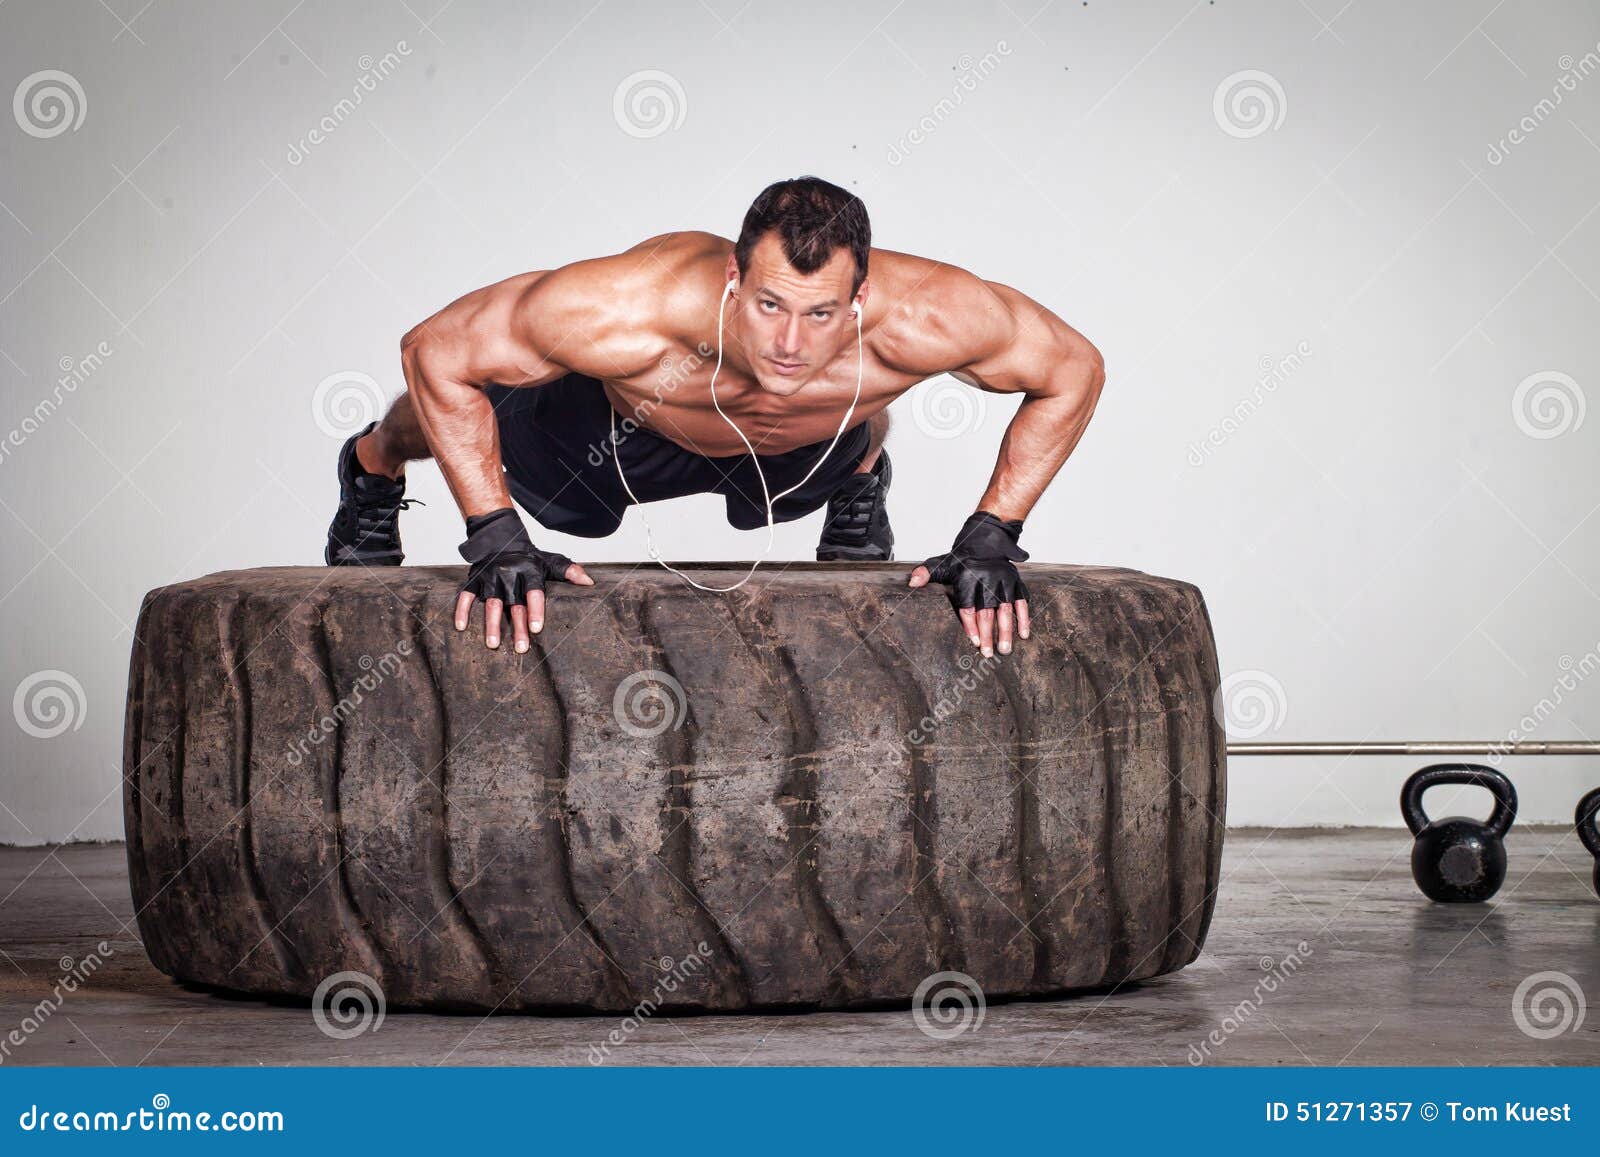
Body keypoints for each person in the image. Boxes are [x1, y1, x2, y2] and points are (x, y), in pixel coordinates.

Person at [325, 176, 1104, 659]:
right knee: (478, 410)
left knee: (861, 408)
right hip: (612, 441)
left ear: (860, 298)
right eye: (769, 305)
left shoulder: (930, 317)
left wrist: (994, 531)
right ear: (735, 277)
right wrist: (492, 532)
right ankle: (372, 463)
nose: (791, 343)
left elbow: (1074, 369)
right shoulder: (635, 306)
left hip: (794, 456)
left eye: (822, 313)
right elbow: (434, 350)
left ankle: (859, 475)